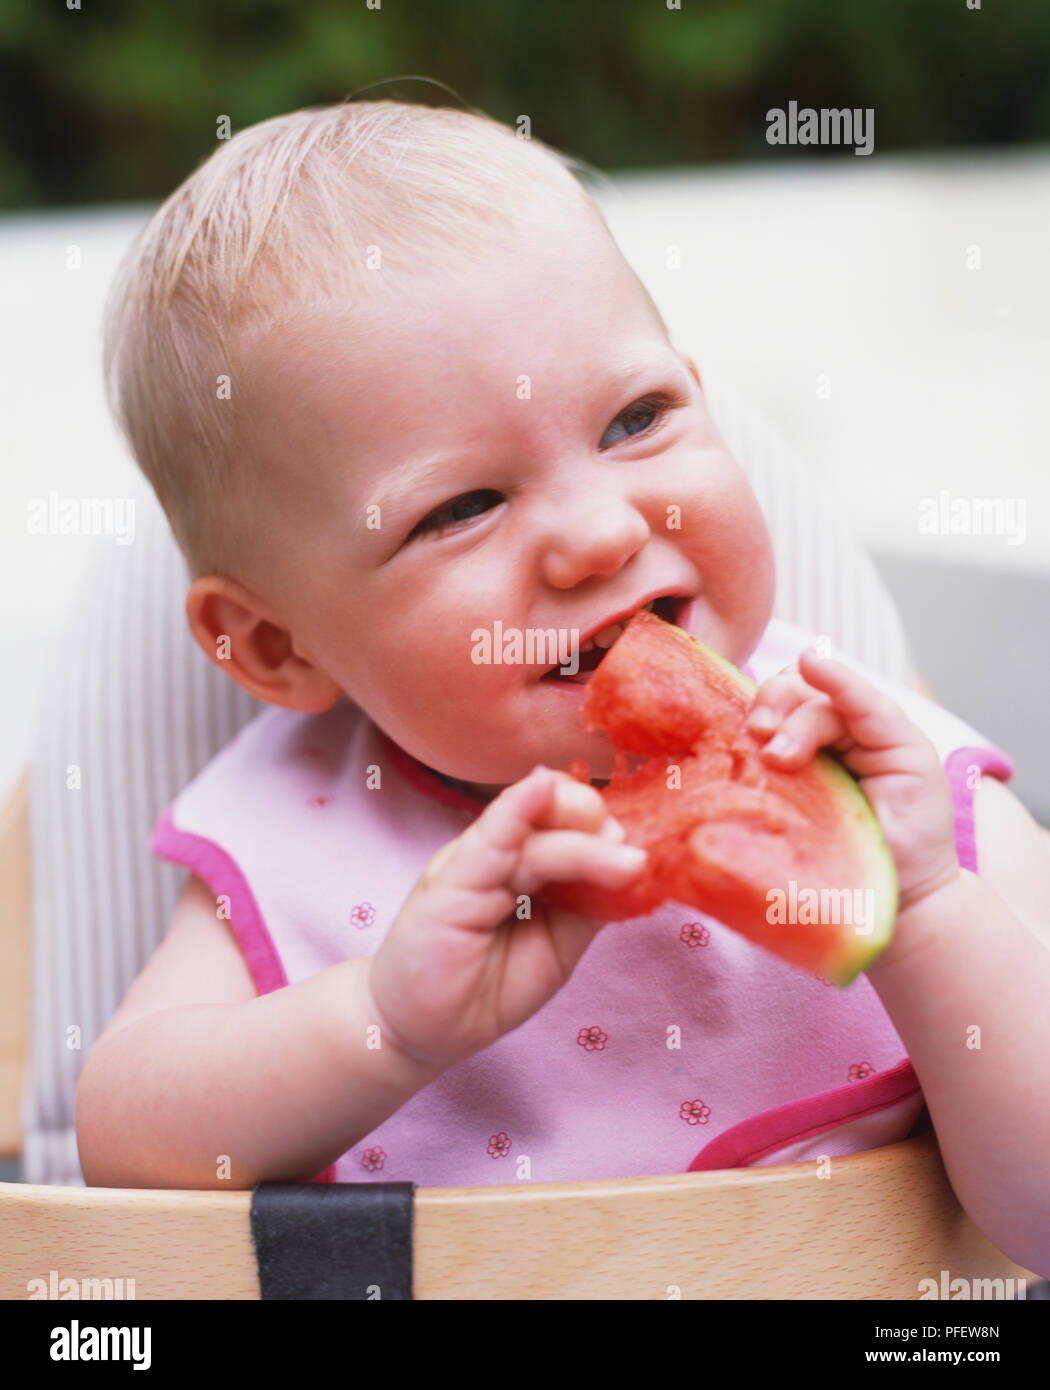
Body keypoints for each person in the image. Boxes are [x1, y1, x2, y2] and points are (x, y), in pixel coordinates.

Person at [75, 100, 1050, 1280]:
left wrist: (928, 909)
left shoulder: (890, 778)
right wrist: (384, 1022)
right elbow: (121, 1155)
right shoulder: (305, 828)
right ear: (276, 648)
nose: (597, 532)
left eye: (637, 420)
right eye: (463, 508)